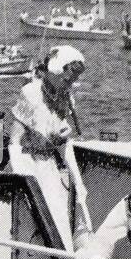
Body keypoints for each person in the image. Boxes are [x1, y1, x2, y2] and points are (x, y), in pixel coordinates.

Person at [9, 46, 85, 248]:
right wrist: (22, 178)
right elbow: (15, 140)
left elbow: (66, 143)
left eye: (73, 80)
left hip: (50, 165)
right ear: (56, 71)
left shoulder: (66, 98)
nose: (70, 84)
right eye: (67, 79)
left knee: (60, 221)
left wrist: (78, 181)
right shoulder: (30, 93)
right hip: (29, 163)